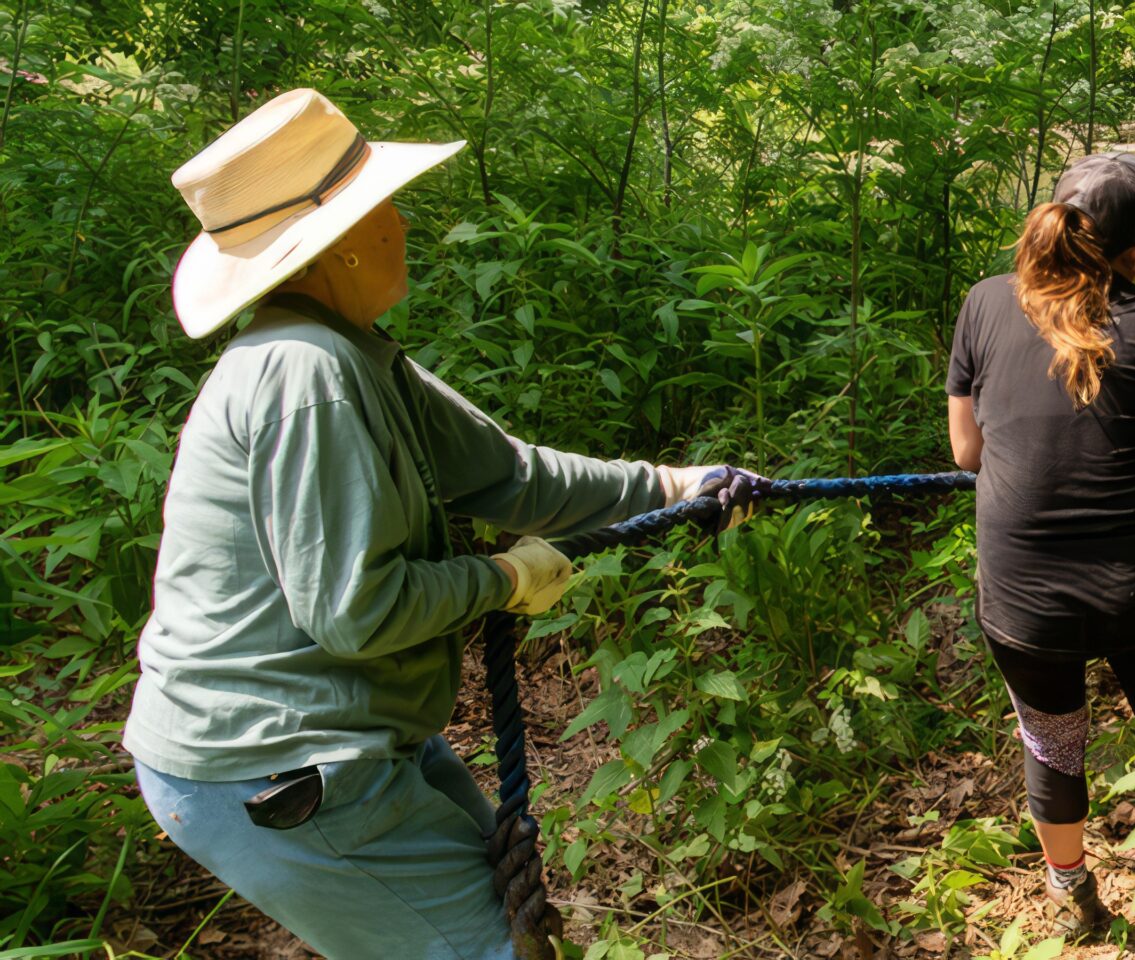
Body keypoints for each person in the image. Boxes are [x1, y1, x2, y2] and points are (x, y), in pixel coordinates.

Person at [129, 89, 762, 959]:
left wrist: (672, 484)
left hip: (350, 733)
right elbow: (357, 612)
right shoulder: (306, 377)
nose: (402, 223)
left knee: (514, 929)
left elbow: (510, 476)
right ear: (343, 242)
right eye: (384, 206)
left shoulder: (354, 355)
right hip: (269, 760)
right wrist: (504, 580)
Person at [944, 152, 1135, 942]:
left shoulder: (985, 302)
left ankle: (1071, 892)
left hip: (1024, 597)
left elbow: (966, 452)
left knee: (1054, 741)